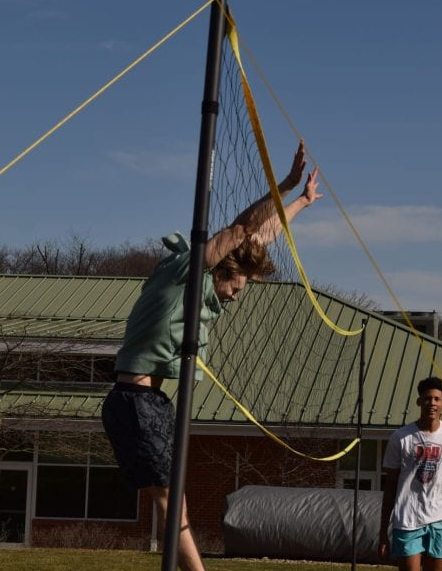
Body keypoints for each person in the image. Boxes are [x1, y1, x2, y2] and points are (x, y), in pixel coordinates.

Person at [101, 141, 321, 571]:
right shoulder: (183, 273)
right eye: (238, 284)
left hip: (151, 403)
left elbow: (259, 237)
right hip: (133, 402)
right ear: (221, 268)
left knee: (174, 499)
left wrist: (301, 202)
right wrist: (284, 184)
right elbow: (241, 230)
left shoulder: (210, 289)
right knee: (172, 503)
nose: (239, 294)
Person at [380, 376, 442, 571]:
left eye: (437, 399)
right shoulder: (401, 437)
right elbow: (390, 486)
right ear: (419, 402)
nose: (432, 403)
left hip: (441, 518)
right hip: (407, 519)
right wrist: (382, 531)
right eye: (428, 398)